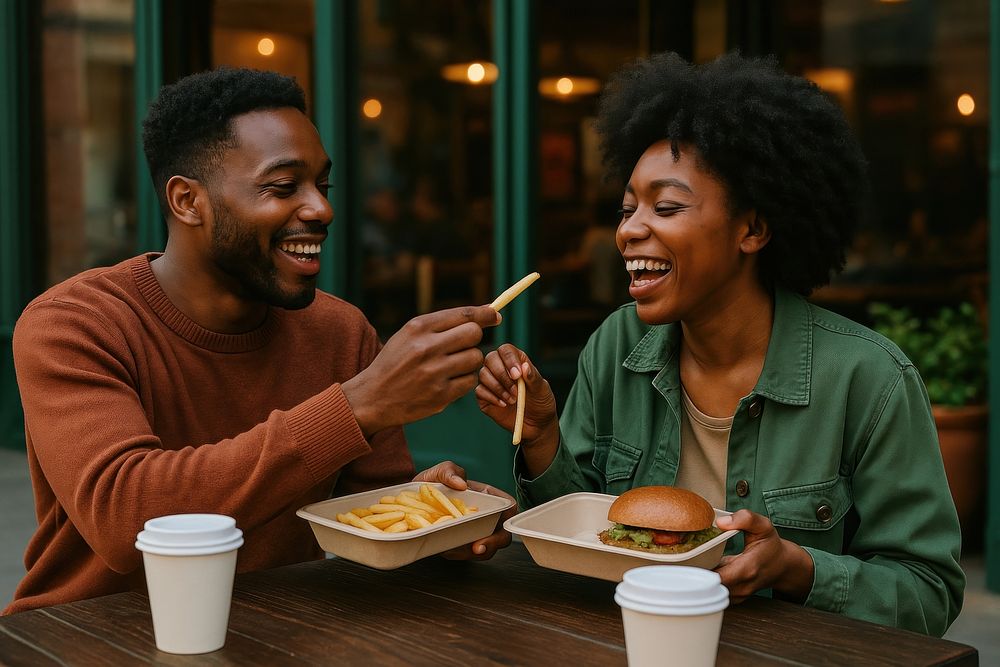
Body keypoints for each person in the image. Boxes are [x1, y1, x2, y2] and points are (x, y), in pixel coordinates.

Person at [475, 52, 964, 636]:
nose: (629, 229)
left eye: (668, 206)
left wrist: (798, 570)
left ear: (752, 229)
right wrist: (542, 438)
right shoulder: (615, 344)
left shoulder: (868, 378)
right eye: (627, 208)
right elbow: (573, 542)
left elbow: (929, 594)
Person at [4, 67, 513, 615]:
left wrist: (434, 515)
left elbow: (366, 513)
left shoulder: (340, 330)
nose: (322, 209)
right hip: (86, 638)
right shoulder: (74, 323)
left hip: (279, 632)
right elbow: (127, 516)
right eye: (282, 186)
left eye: (323, 184)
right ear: (186, 201)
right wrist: (358, 405)